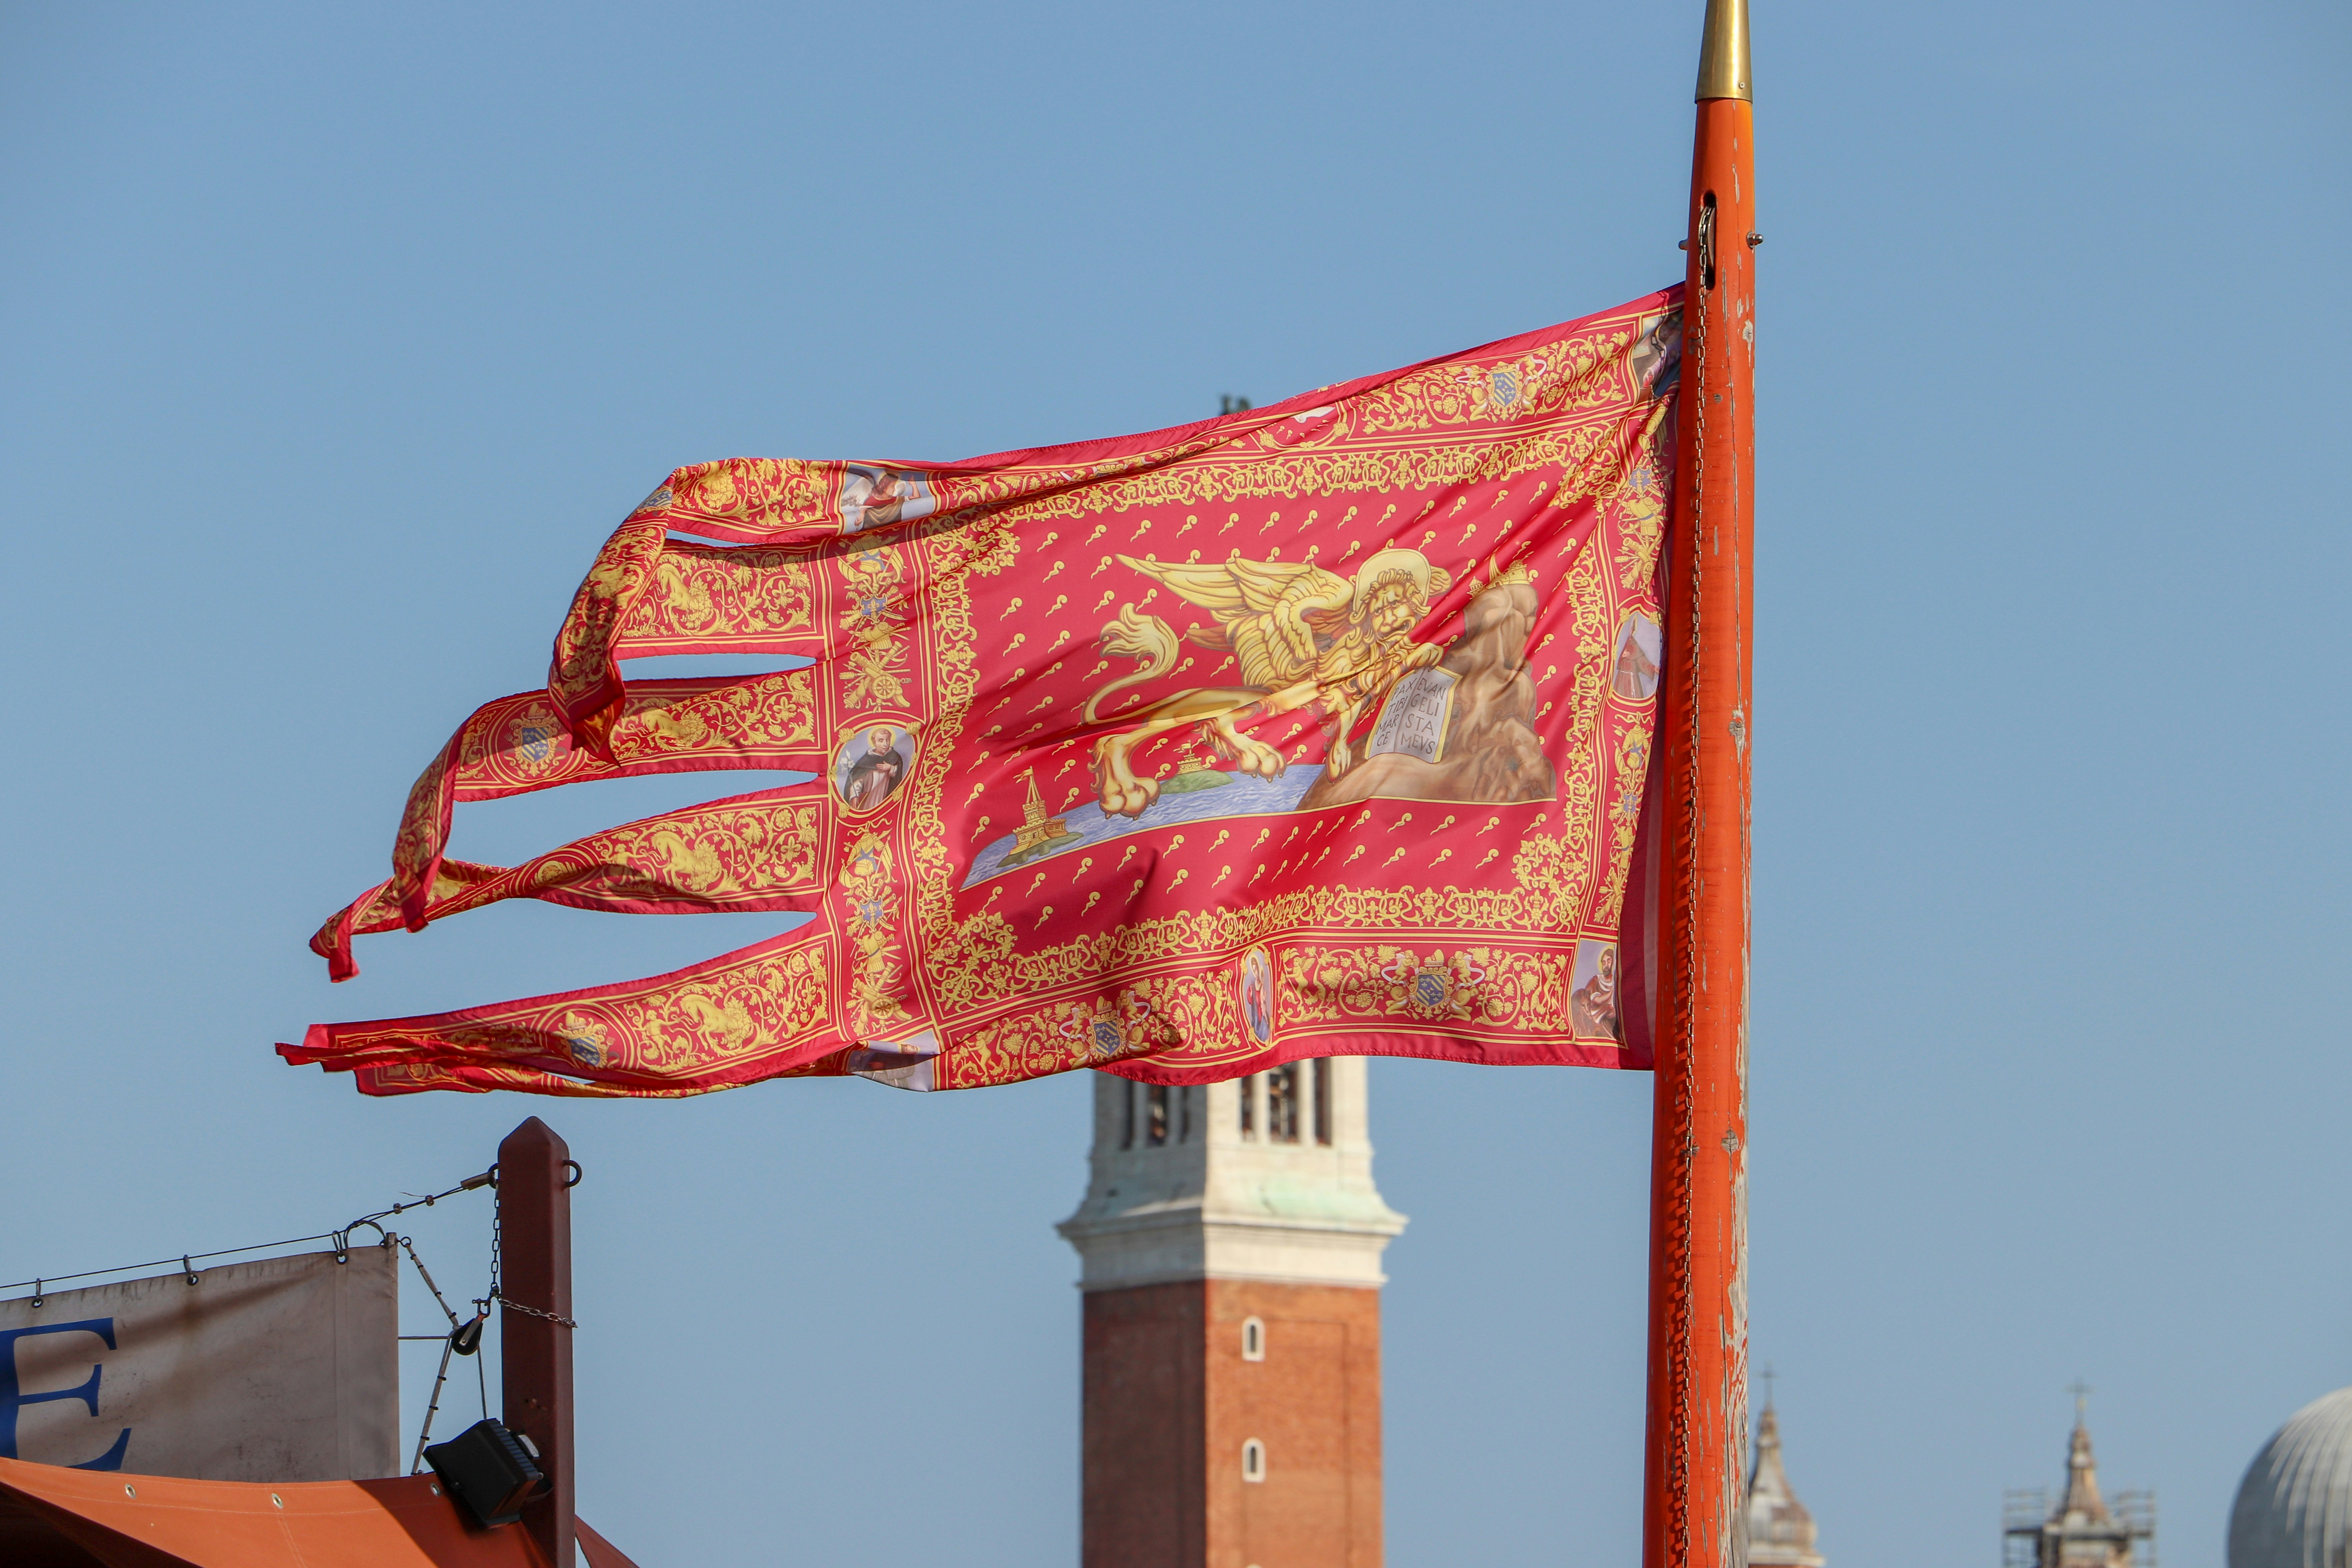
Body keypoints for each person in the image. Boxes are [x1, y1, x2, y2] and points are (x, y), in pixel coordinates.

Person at [841, 727, 908, 809]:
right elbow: (858, 781)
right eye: (881, 741)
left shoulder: (894, 757)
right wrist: (855, 796)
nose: (886, 744)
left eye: (888, 740)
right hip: (869, 800)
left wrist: (891, 768)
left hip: (885, 797)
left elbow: (899, 779)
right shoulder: (866, 761)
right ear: (874, 742)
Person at [1570, 946, 1620, 1041]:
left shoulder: (1617, 980)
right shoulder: (1596, 980)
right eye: (1604, 962)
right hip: (1598, 1013)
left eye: (1609, 962)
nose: (1606, 965)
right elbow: (1593, 999)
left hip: (1614, 1015)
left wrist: (1614, 1010)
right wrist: (1611, 993)